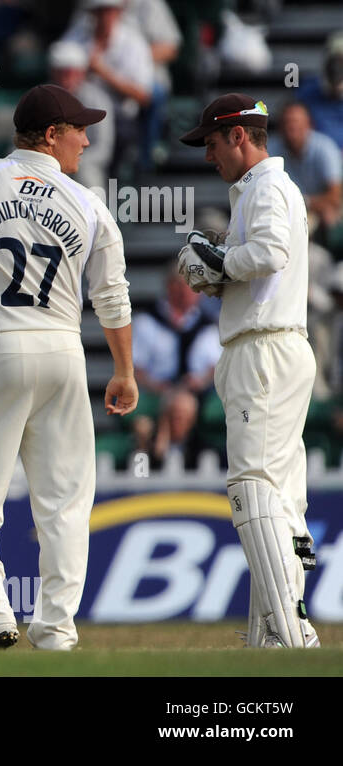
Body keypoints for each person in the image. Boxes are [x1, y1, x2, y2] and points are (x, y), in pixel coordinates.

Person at [0, 84, 136, 651]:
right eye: (79, 130)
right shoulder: (88, 201)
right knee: (64, 501)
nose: (87, 141)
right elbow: (113, 297)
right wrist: (124, 370)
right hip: (64, 351)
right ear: (50, 135)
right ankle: (57, 629)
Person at [176, 94, 320, 648]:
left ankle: (289, 632)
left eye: (212, 143)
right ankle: (276, 628)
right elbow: (258, 265)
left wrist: (217, 261)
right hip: (274, 347)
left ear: (239, 136)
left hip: (263, 351)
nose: (209, 156)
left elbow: (268, 254)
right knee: (279, 495)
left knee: (251, 486)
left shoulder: (266, 187)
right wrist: (217, 277)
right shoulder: (260, 191)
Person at [131, 272, 222, 467]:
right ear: (168, 287)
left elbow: (217, 366)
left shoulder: (208, 326)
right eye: (178, 285)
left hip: (196, 392)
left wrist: (200, 381)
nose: (184, 292)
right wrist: (155, 386)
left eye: (189, 286)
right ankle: (145, 467)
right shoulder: (148, 322)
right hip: (157, 390)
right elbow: (134, 367)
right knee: (144, 426)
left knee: (183, 405)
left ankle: (176, 456)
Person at [59, 0, 152, 179]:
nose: (104, 17)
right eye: (99, 11)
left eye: (109, 11)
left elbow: (143, 95)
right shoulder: (77, 36)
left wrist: (103, 72)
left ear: (118, 12)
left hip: (120, 118)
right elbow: (60, 66)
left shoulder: (133, 43)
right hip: (79, 111)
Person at [49, 41, 114, 194]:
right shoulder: (40, 98)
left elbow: (103, 149)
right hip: (46, 164)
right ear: (53, 72)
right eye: (62, 72)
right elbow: (21, 141)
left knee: (88, 174)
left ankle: (96, 218)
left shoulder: (99, 99)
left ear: (82, 73)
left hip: (83, 164)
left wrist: (69, 160)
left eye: (72, 72)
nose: (67, 78)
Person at [269, 102, 342, 236]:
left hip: (318, 211)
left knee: (328, 216)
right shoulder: (271, 149)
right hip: (288, 212)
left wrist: (304, 202)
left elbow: (335, 197)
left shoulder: (325, 148)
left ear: (308, 125)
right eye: (286, 122)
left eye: (296, 122)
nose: (291, 126)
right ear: (280, 127)